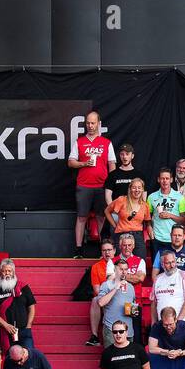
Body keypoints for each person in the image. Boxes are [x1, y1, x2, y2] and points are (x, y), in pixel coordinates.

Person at [67, 110, 116, 258]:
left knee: (102, 217)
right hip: (84, 185)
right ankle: (78, 250)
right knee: (82, 217)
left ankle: (104, 251)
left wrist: (111, 185)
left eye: (93, 123)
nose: (90, 125)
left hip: (101, 186)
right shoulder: (80, 142)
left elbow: (112, 165)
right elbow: (70, 162)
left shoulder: (106, 143)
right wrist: (83, 163)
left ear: (99, 124)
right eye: (88, 123)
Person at [89, 240, 137, 347]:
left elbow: (133, 307)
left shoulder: (130, 287)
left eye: (125, 269)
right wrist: (115, 288)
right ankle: (94, 335)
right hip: (111, 327)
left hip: (127, 329)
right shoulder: (105, 283)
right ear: (115, 270)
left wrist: (133, 311)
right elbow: (100, 301)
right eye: (121, 269)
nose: (123, 272)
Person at [0, 257, 38, 353]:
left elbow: (31, 306)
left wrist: (29, 325)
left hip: (24, 330)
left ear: (13, 272)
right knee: (10, 357)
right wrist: (6, 326)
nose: (7, 273)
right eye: (4, 271)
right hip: (7, 332)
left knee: (29, 355)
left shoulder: (24, 287)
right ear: (0, 272)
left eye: (9, 271)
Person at [105, 177, 151, 261]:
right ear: (130, 189)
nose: (137, 190)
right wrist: (115, 225)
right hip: (122, 235)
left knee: (140, 262)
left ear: (142, 190)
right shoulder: (121, 200)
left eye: (139, 188)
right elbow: (107, 211)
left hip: (137, 236)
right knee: (120, 263)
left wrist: (151, 235)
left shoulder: (145, 205)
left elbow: (148, 222)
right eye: (134, 187)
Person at [151, 249, 185, 324]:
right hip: (163, 324)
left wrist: (177, 321)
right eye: (168, 263)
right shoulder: (157, 279)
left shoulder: (184, 275)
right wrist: (153, 324)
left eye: (173, 262)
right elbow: (153, 303)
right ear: (162, 264)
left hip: (182, 323)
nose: (172, 265)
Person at [148, 167, 185, 253]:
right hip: (157, 238)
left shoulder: (180, 197)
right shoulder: (151, 197)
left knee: (172, 265)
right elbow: (148, 217)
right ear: (158, 180)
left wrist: (170, 215)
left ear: (171, 180)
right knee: (157, 265)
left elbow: (184, 220)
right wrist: (149, 227)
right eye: (162, 178)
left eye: (167, 178)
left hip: (173, 239)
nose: (164, 181)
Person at [155, 224, 185, 293]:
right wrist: (161, 290)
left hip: (184, 291)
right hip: (166, 291)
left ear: (184, 237)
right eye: (174, 235)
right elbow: (154, 273)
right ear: (170, 236)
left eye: (179, 235)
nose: (177, 237)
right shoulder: (161, 252)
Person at [103, 142, 144, 217]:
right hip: (117, 213)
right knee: (116, 229)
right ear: (119, 156)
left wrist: (138, 211)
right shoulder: (113, 174)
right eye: (122, 154)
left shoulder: (139, 175)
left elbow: (143, 195)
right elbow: (108, 195)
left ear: (132, 156)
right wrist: (114, 210)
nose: (124, 157)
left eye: (127, 154)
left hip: (134, 212)